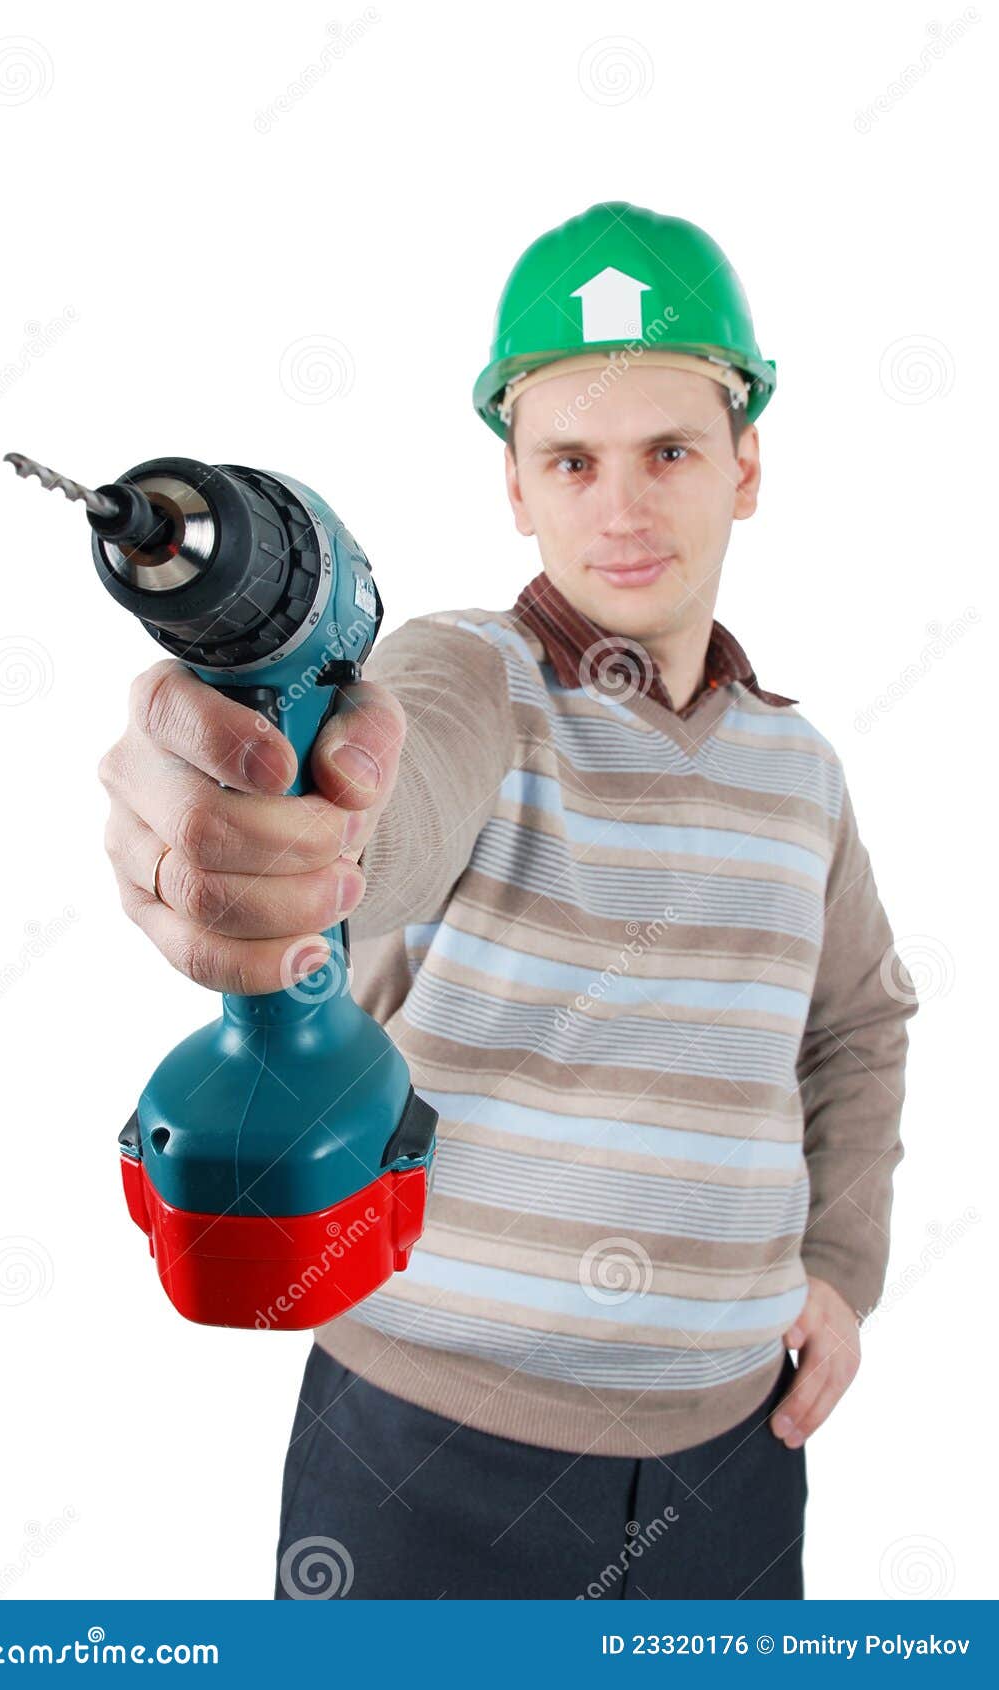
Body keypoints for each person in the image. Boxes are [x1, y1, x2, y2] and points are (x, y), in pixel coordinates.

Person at [99, 202, 918, 1600]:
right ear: (516, 487)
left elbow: (857, 1027)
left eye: (670, 451)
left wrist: (841, 1265)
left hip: (734, 1465)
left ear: (747, 466)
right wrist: (291, 836)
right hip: (420, 1466)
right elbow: (392, 806)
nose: (623, 506)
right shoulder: (465, 680)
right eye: (572, 460)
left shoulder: (804, 773)